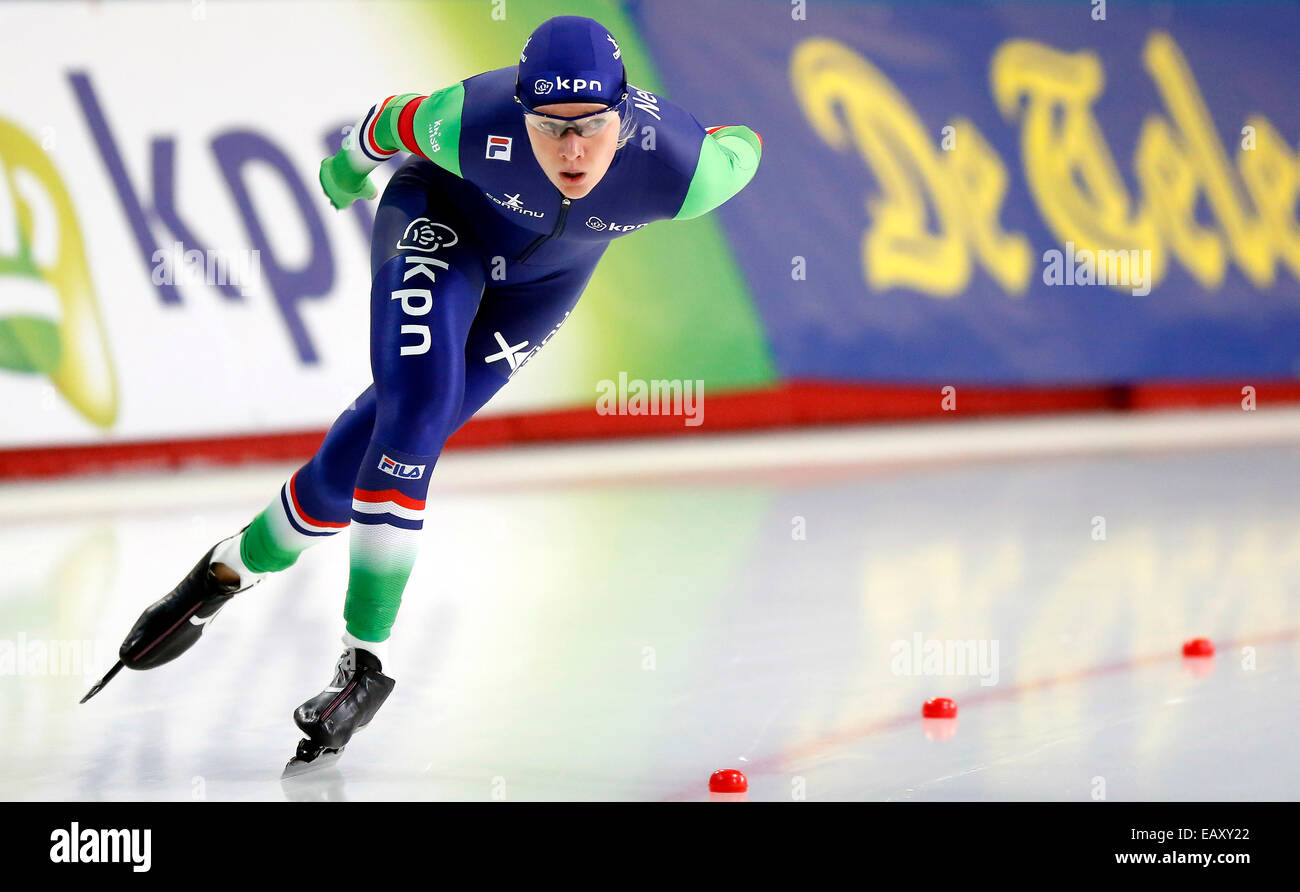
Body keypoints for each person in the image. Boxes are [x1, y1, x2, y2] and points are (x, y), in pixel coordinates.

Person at [85, 15, 763, 773]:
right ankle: (363, 665)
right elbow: (382, 125)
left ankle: (227, 569)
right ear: (520, 108)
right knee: (414, 412)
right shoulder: (471, 120)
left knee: (373, 455)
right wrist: (343, 176)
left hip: (544, 286)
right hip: (439, 225)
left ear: (625, 113)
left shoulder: (688, 169)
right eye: (549, 127)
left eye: (592, 127)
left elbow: (748, 144)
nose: (572, 152)